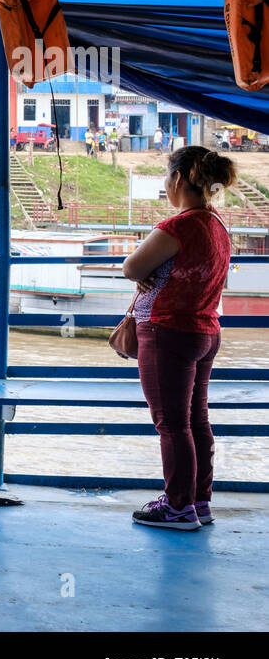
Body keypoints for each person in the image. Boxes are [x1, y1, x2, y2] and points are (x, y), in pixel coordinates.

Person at [122, 146, 235, 531]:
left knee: (171, 424)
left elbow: (132, 267)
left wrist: (144, 273)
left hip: (167, 330)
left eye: (167, 178)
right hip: (205, 331)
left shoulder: (178, 226)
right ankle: (199, 501)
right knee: (196, 420)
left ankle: (177, 507)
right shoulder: (218, 225)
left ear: (180, 179)